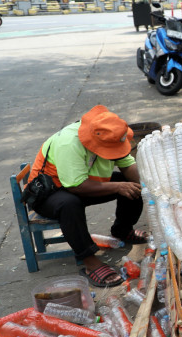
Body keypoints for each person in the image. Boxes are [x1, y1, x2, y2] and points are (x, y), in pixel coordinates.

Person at [27, 105, 146, 288]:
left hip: (82, 182)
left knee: (132, 185)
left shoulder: (109, 135)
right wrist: (118, 186)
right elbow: (77, 187)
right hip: (48, 192)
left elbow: (128, 167)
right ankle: (89, 261)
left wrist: (148, 187)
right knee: (69, 204)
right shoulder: (69, 143)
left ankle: (122, 230)